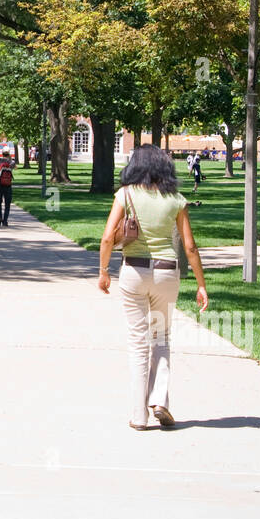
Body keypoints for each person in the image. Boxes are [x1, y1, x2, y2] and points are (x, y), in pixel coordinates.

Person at [97, 144, 208, 431]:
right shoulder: (176, 199)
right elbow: (190, 246)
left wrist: (103, 272)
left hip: (134, 272)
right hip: (167, 274)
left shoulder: (126, 194)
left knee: (137, 344)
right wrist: (201, 284)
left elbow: (108, 237)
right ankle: (160, 400)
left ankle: (139, 416)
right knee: (161, 338)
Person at [0, 148, 14, 226]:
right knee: (7, 204)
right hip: (8, 185)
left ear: (2, 154)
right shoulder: (11, 163)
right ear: (8, 154)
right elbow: (15, 166)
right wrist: (9, 157)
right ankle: (5, 221)